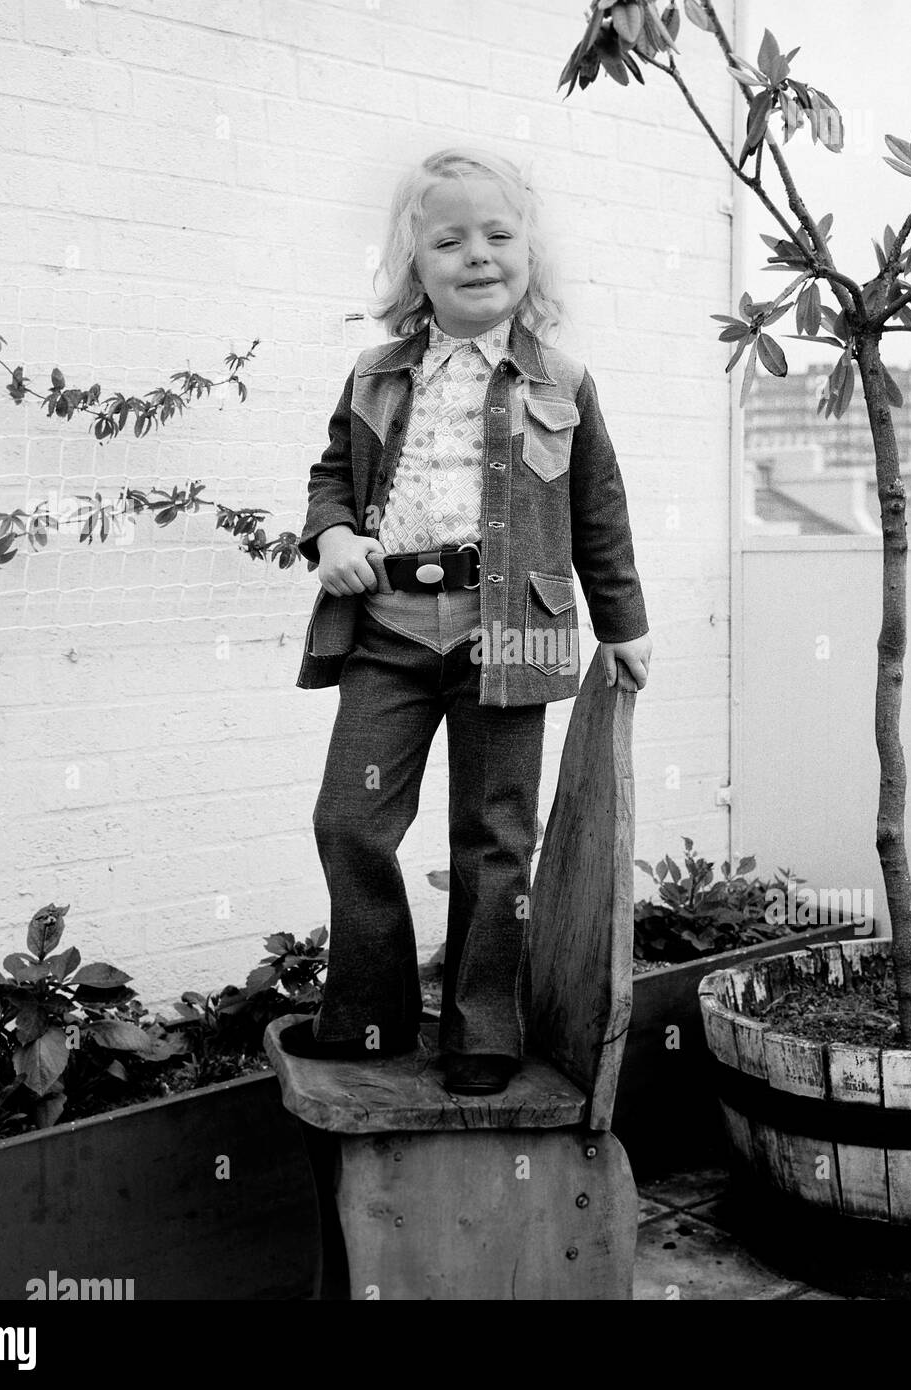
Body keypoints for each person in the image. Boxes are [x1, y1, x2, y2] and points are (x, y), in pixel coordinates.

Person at [281, 147, 651, 1095]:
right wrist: (328, 535)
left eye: (499, 234)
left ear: (531, 254)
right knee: (350, 820)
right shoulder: (375, 373)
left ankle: (485, 1027)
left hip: (510, 628)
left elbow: (599, 511)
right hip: (389, 627)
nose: (477, 254)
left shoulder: (562, 381)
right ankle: (369, 1015)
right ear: (416, 263)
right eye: (449, 239)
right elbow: (332, 475)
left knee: (494, 838)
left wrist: (624, 621)